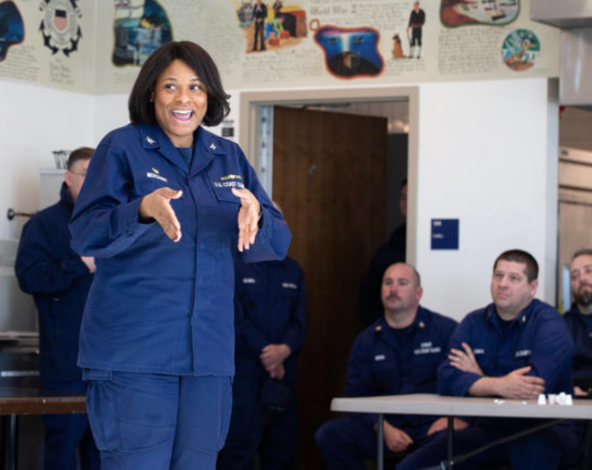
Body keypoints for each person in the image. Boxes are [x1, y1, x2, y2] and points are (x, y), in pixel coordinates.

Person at [69, 41, 291, 470]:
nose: (183, 98)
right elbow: (85, 235)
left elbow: (277, 244)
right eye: (171, 86)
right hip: (134, 355)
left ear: (209, 97)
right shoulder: (121, 147)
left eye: (195, 87)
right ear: (151, 92)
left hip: (207, 357)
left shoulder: (228, 156)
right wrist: (141, 211)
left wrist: (259, 216)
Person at [397, 249, 580, 470]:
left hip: (543, 430)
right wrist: (498, 384)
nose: (503, 284)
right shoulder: (474, 322)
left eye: (514, 278)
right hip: (488, 428)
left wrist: (477, 378)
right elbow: (446, 378)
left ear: (532, 288)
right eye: (498, 276)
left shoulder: (549, 323)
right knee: (412, 466)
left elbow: (532, 388)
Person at [316, 262, 459, 470]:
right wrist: (383, 428)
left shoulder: (446, 331)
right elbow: (357, 398)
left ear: (418, 293)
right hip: (385, 426)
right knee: (329, 436)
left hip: (432, 427)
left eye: (402, 283)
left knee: (454, 441)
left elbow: (464, 380)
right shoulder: (366, 341)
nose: (393, 289)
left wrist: (455, 418)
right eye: (388, 283)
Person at [15, 147, 100, 470]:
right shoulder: (43, 225)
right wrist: (80, 266)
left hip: (110, 366)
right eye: (86, 174)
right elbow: (30, 277)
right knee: (62, 451)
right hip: (65, 365)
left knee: (105, 454)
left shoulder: (113, 223)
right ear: (68, 178)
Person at [218, 202, 307, 470]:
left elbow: (300, 321)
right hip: (245, 377)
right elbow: (234, 318)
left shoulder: (293, 270)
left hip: (282, 377)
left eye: (277, 219)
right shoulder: (233, 264)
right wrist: (267, 352)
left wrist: (283, 351)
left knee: (282, 453)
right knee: (237, 453)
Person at [358, 179, 407, 327]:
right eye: (403, 197)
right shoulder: (389, 250)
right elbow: (368, 299)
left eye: (410, 197)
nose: (406, 203)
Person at [564, 248, 592, 396]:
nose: (581, 278)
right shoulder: (559, 325)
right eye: (575, 275)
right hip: (572, 404)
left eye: (589, 271)